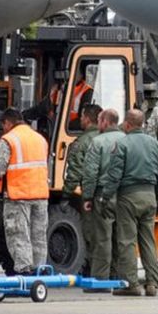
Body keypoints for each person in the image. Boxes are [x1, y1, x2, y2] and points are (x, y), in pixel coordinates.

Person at [102, 109, 158, 297]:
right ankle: (153, 282)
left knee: (127, 241)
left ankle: (131, 284)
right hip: (149, 196)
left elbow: (114, 175)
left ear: (128, 124)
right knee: (148, 240)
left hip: (128, 198)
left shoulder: (122, 144)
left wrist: (105, 197)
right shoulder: (155, 145)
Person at [0, 108, 50, 275]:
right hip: (40, 195)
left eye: (4, 126)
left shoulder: (9, 140)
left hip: (18, 195)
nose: (3, 129)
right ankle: (39, 272)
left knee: (18, 234)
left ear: (7, 123)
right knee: (38, 237)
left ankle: (24, 273)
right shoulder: (40, 139)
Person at [80, 109, 124, 290]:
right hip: (124, 195)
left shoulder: (97, 142)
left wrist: (87, 196)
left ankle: (100, 281)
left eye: (99, 120)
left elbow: (90, 172)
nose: (98, 123)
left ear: (106, 121)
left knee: (103, 238)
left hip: (102, 194)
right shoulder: (127, 140)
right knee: (121, 237)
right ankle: (119, 278)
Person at [62, 103, 103, 273]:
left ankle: (92, 272)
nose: (80, 119)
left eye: (81, 117)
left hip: (91, 195)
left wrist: (65, 195)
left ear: (87, 118)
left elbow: (75, 172)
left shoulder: (82, 142)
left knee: (90, 233)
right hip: (113, 194)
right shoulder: (112, 139)